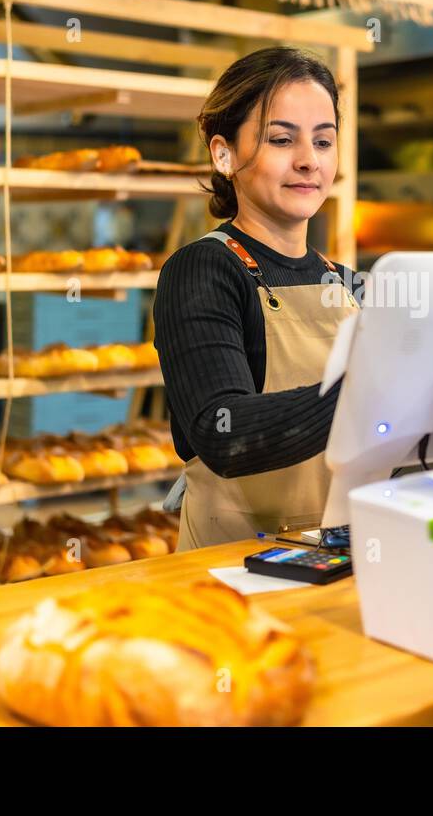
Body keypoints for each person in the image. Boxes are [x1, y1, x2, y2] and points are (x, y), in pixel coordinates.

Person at [153, 46, 358, 550]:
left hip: (338, 560)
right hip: (235, 571)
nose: (309, 160)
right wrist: (368, 392)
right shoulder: (202, 271)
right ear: (223, 154)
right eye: (281, 139)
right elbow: (223, 433)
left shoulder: (352, 285)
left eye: (324, 141)